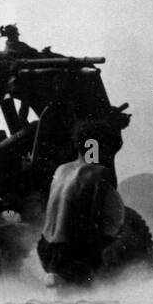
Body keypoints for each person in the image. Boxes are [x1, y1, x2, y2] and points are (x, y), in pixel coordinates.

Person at [37, 119, 126, 288]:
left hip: (46, 251)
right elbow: (95, 220)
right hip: (72, 255)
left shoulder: (60, 170)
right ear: (96, 146)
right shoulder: (99, 173)